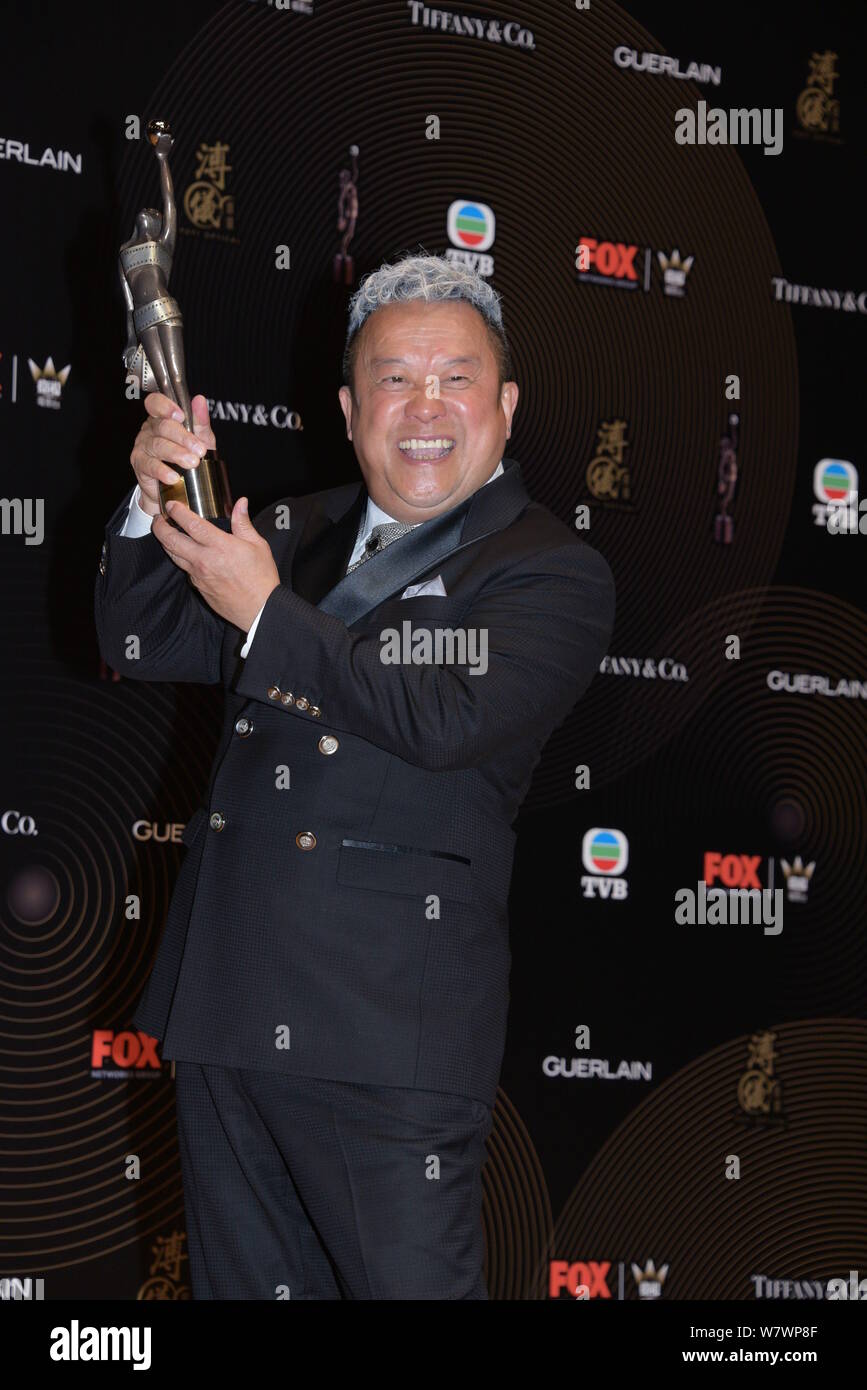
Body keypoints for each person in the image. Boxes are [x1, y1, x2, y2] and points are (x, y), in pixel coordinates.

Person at [94, 253, 616, 1299]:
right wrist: (153, 501)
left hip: (387, 1039)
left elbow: (441, 710)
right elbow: (141, 639)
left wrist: (265, 612)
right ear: (348, 406)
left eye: (456, 377)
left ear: (505, 407)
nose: (425, 405)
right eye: (393, 377)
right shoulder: (294, 534)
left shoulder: (548, 569)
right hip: (231, 1007)